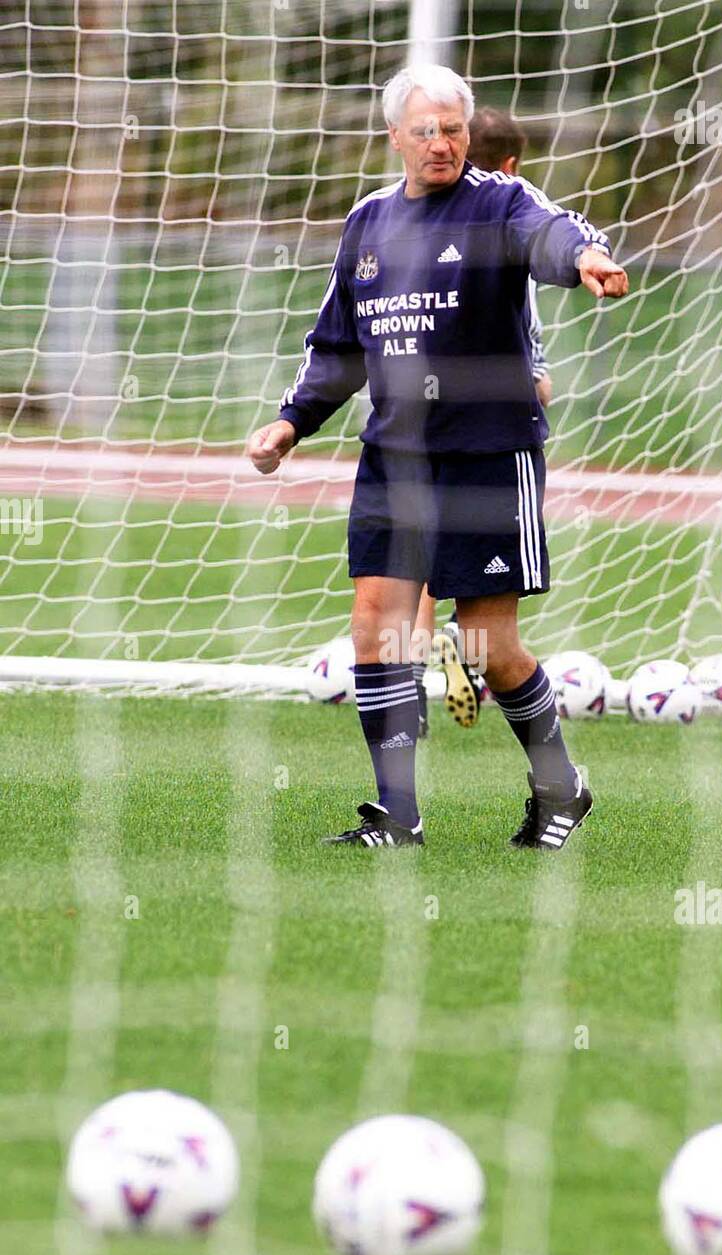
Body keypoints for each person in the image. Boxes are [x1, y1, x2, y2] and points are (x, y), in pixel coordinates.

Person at [248, 64, 627, 850]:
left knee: (489, 647)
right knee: (375, 628)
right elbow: (339, 347)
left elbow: (553, 232)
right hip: (393, 455)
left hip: (487, 452)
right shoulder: (368, 223)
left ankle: (559, 784)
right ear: (395, 136)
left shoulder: (500, 202)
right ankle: (397, 815)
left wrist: (583, 259)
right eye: (424, 130)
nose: (441, 143)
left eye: (452, 129)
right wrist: (291, 422)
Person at [412, 105, 554, 738]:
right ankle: (454, 653)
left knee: (416, 568)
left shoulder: (404, 218)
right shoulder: (513, 217)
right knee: (489, 626)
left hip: (411, 425)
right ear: (514, 166)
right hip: (492, 430)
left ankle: (415, 671)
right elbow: (531, 353)